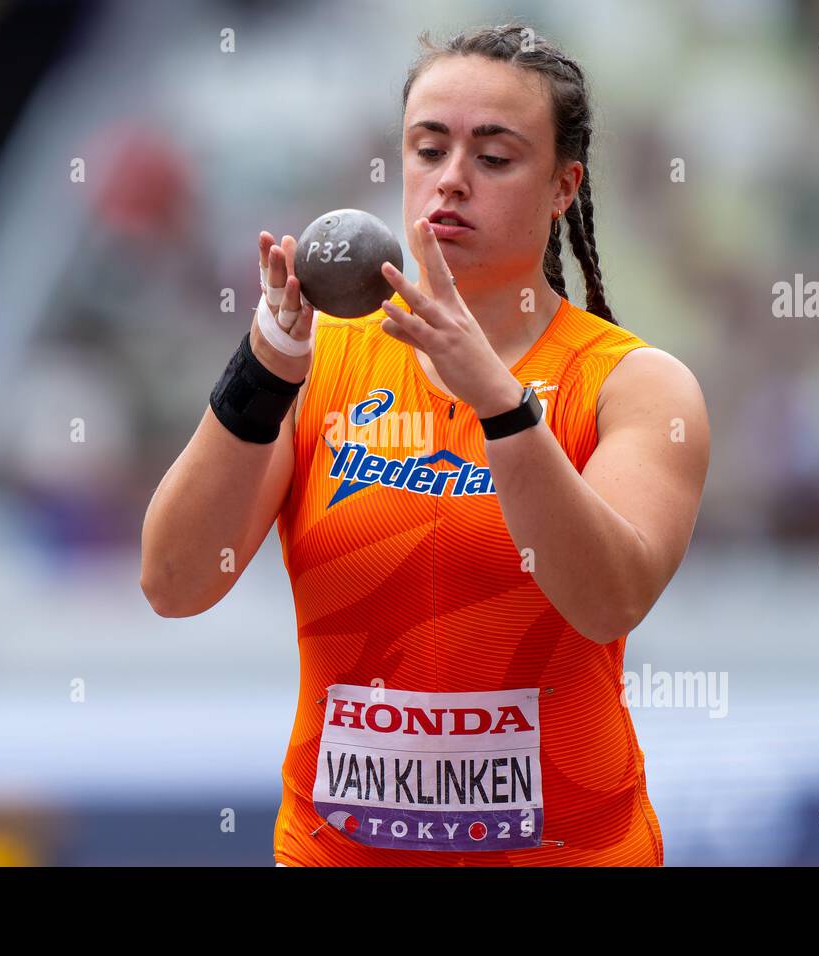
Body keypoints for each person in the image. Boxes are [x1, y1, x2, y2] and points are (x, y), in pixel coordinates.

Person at [141, 22, 709, 867]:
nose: (451, 181)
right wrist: (262, 366)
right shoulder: (320, 361)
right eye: (428, 148)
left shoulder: (636, 386)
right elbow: (176, 582)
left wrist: (500, 406)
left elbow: (606, 600)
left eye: (494, 156)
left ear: (563, 186)